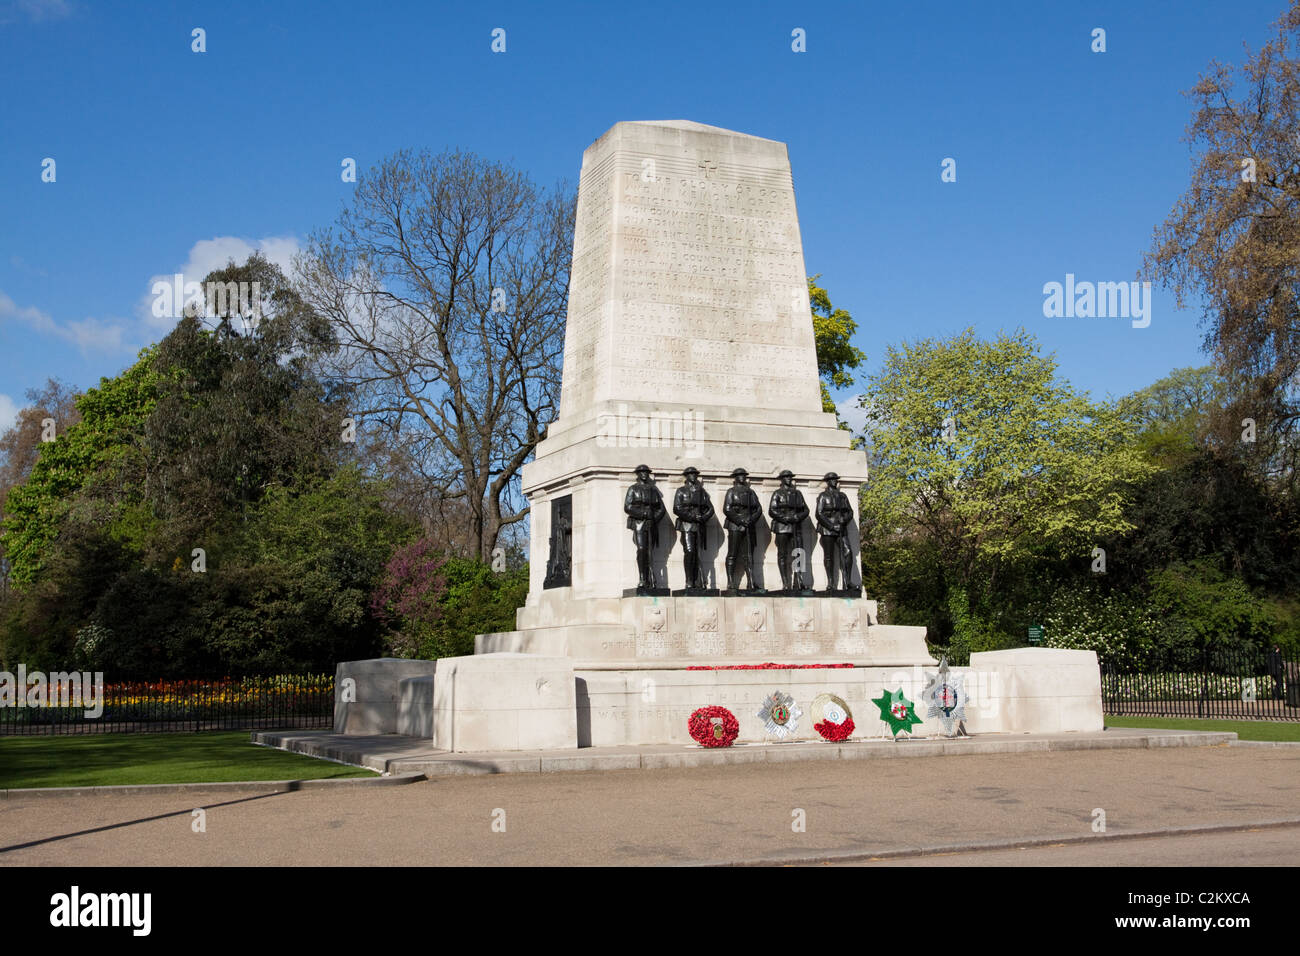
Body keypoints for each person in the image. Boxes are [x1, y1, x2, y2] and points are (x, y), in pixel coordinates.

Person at [623, 464, 665, 590]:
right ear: (638, 474)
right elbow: (627, 507)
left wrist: (654, 518)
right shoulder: (633, 489)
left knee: (650, 551)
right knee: (641, 549)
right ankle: (642, 578)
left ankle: (651, 578)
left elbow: (661, 509)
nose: (645, 474)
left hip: (651, 524)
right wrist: (643, 513)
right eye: (642, 472)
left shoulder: (653, 490)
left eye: (646, 472)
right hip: (639, 523)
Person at [673, 466, 714, 589]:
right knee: (689, 552)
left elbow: (711, 509)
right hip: (687, 525)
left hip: (699, 525)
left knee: (697, 553)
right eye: (691, 474)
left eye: (695, 474)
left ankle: (698, 581)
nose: (693, 476)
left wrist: (703, 517)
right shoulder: (681, 491)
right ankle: (689, 580)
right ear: (686, 476)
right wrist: (692, 516)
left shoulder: (702, 492)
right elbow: (677, 508)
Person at [768, 469, 809, 591]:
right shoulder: (777, 493)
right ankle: (785, 583)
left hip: (796, 526)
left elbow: (806, 510)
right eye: (786, 477)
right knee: (782, 554)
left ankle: (799, 581)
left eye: (790, 477)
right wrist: (784, 518)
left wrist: (797, 517)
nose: (789, 479)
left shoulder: (797, 493)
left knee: (799, 553)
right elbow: (772, 510)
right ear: (781, 479)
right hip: (782, 526)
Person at [723, 467, 762, 591]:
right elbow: (727, 509)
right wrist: (740, 521)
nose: (742, 477)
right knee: (732, 554)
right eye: (739, 475)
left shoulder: (751, 492)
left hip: (749, 525)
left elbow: (758, 509)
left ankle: (751, 581)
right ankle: (730, 581)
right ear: (735, 477)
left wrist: (751, 519)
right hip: (735, 525)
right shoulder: (731, 492)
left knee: (749, 555)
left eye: (744, 475)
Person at [815, 472, 855, 591]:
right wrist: (832, 526)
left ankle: (847, 581)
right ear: (827, 482)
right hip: (828, 529)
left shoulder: (842, 496)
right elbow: (819, 513)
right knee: (829, 556)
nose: (834, 481)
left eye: (835, 480)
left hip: (841, 528)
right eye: (832, 480)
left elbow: (850, 512)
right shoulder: (823, 496)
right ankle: (831, 582)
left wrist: (845, 519)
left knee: (848, 552)